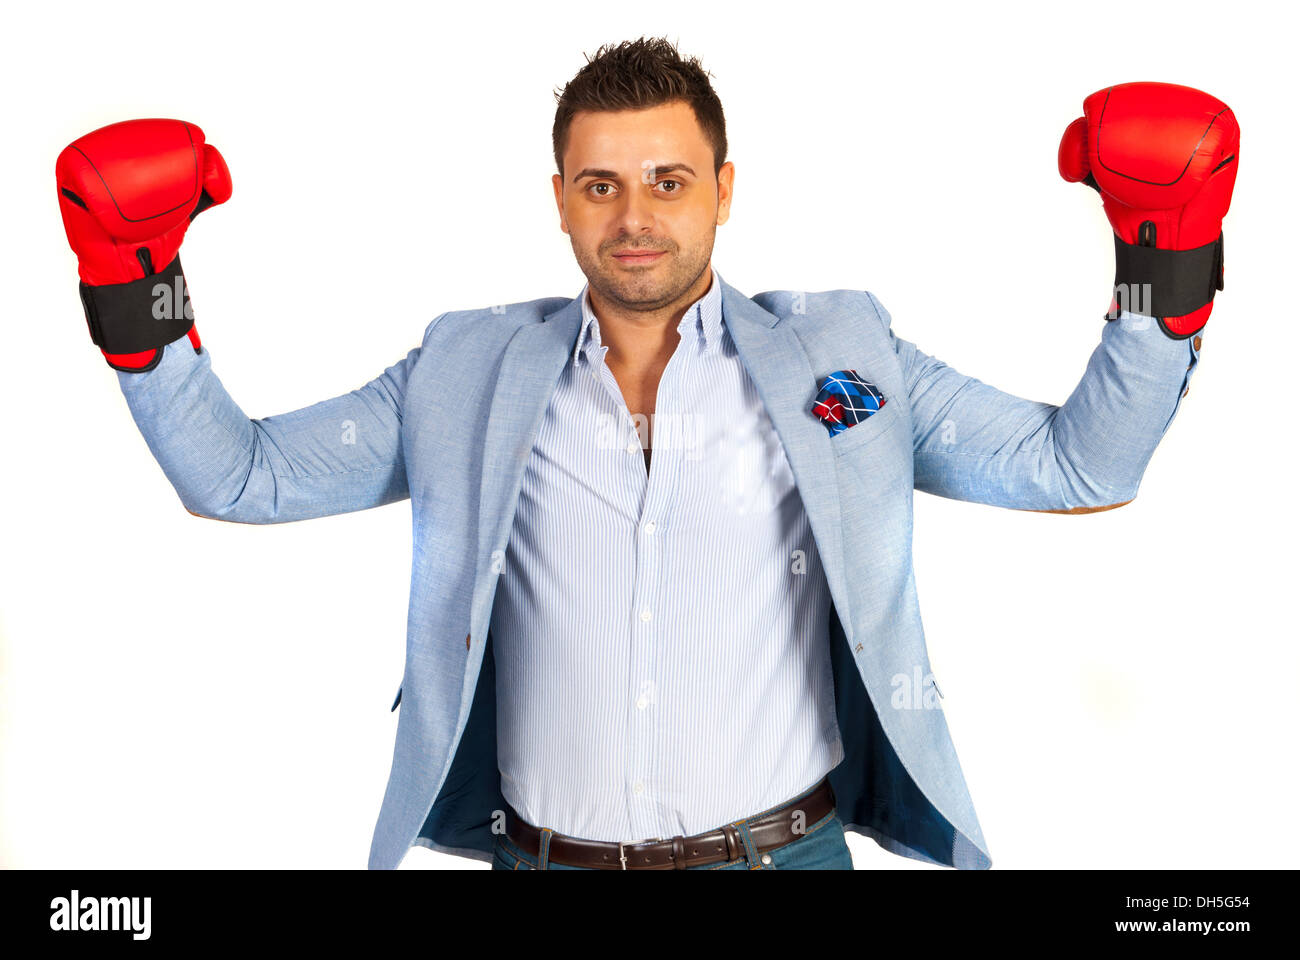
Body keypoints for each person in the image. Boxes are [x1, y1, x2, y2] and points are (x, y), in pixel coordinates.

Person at [54, 37, 1238, 870]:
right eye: (602, 185)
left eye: (669, 182)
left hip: (784, 858)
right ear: (560, 201)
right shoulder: (462, 371)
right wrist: (136, 288)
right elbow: (240, 478)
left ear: (723, 192)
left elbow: (1081, 467)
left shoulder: (847, 356)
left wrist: (1162, 256)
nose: (635, 216)